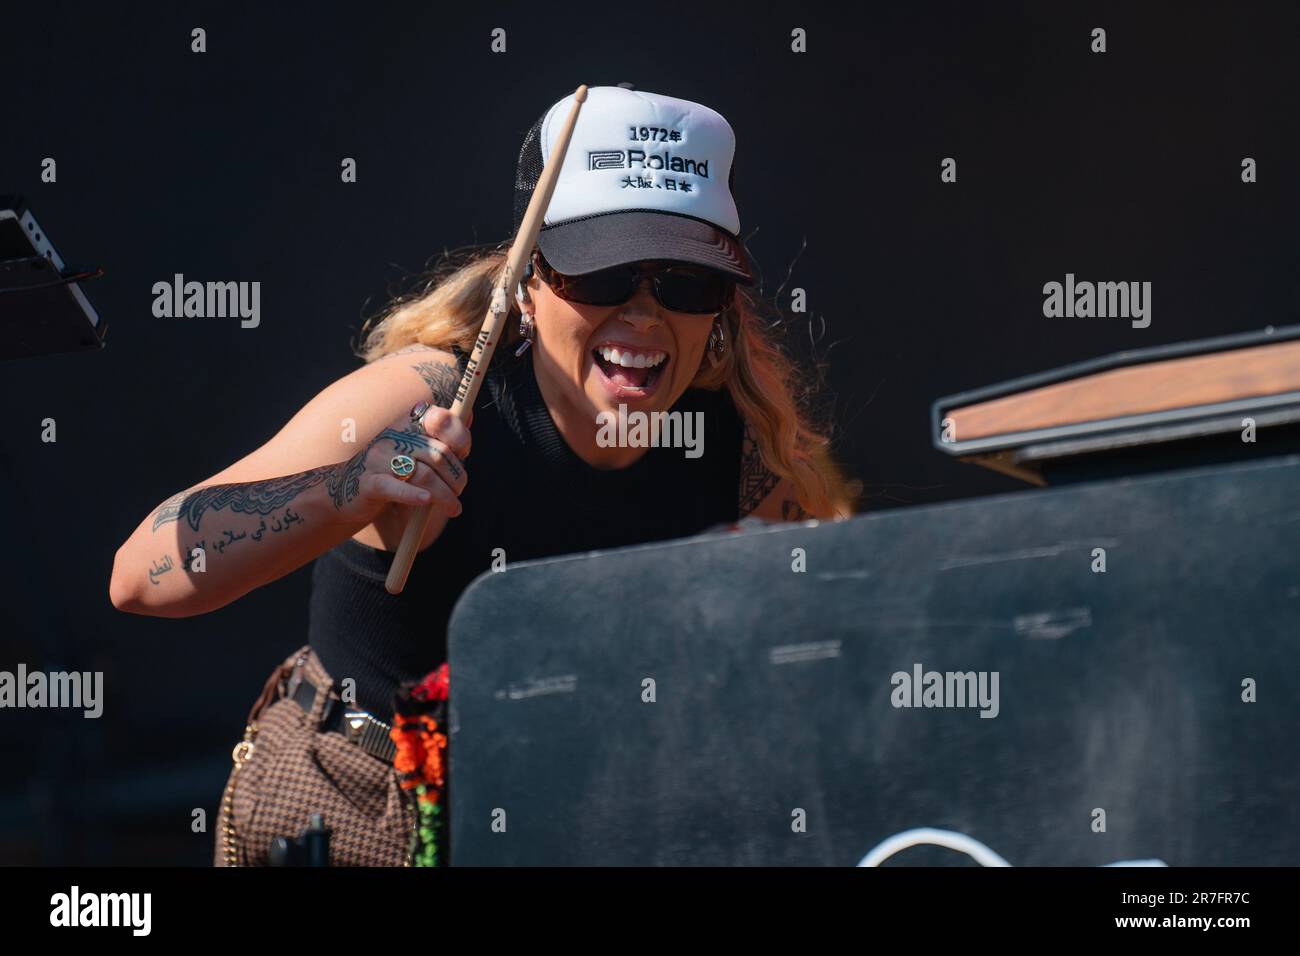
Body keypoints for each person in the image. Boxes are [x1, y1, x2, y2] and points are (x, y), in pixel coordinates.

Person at [109, 85, 857, 866]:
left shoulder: (742, 454)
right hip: (362, 809)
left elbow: (822, 670)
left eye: (685, 283)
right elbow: (141, 575)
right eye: (603, 276)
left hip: (570, 814)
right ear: (528, 283)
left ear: (721, 314)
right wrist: (349, 493)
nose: (642, 315)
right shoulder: (428, 397)